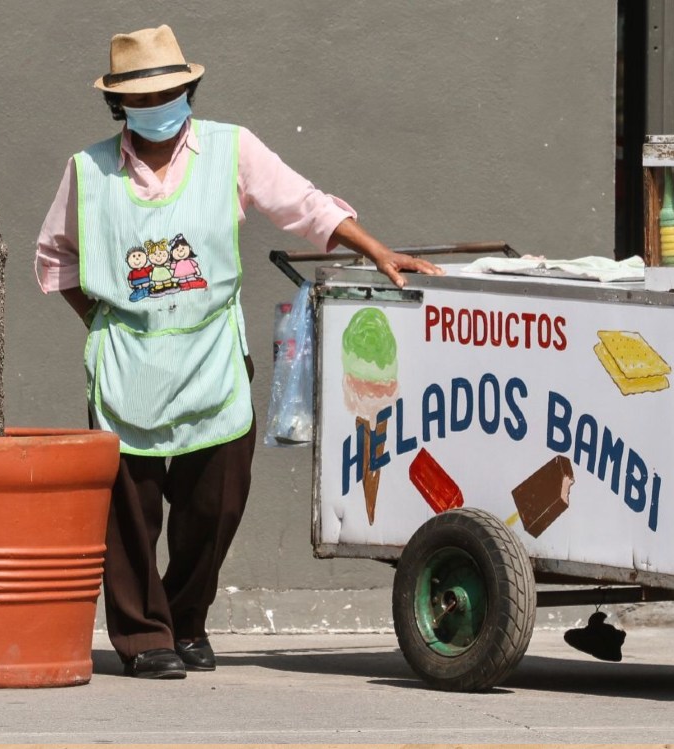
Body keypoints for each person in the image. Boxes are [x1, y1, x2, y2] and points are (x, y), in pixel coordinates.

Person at [35, 25, 442, 680]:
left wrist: (377, 250)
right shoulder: (90, 171)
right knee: (130, 518)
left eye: (170, 91)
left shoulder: (230, 150)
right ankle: (145, 638)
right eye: (144, 96)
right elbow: (56, 259)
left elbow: (302, 204)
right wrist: (103, 323)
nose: (160, 104)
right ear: (120, 106)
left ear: (188, 90)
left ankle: (186, 618)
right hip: (126, 366)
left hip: (211, 360)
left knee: (215, 503)